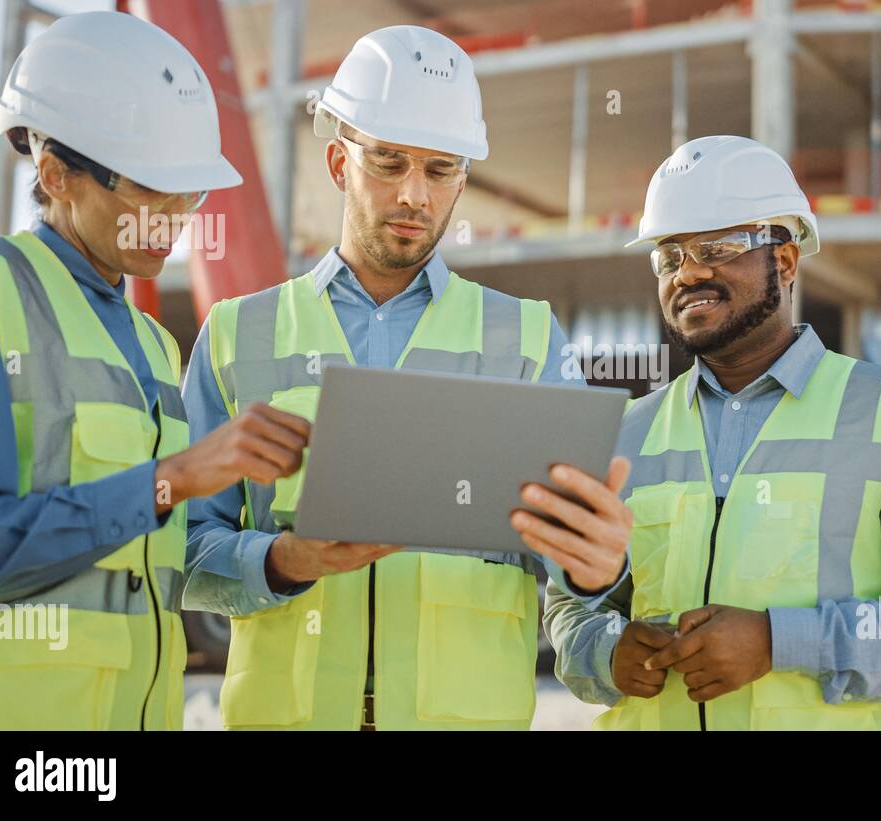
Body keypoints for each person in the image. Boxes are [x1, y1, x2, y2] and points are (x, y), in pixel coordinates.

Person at [182, 25, 631, 730]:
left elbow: (572, 572)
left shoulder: (529, 339)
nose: (415, 196)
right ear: (338, 162)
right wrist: (284, 560)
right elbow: (180, 550)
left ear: (463, 177)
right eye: (388, 163)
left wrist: (600, 563)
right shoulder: (240, 336)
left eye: (440, 169)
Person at [544, 135, 881, 730]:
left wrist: (780, 641)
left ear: (784, 262)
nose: (690, 272)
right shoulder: (627, 434)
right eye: (670, 255)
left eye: (718, 246)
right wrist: (607, 651)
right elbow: (571, 603)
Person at [0, 11, 308, 730]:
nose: (176, 218)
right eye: (151, 191)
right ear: (55, 173)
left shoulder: (156, 344)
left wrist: (288, 557)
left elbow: (155, 562)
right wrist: (173, 478)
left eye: (190, 192)